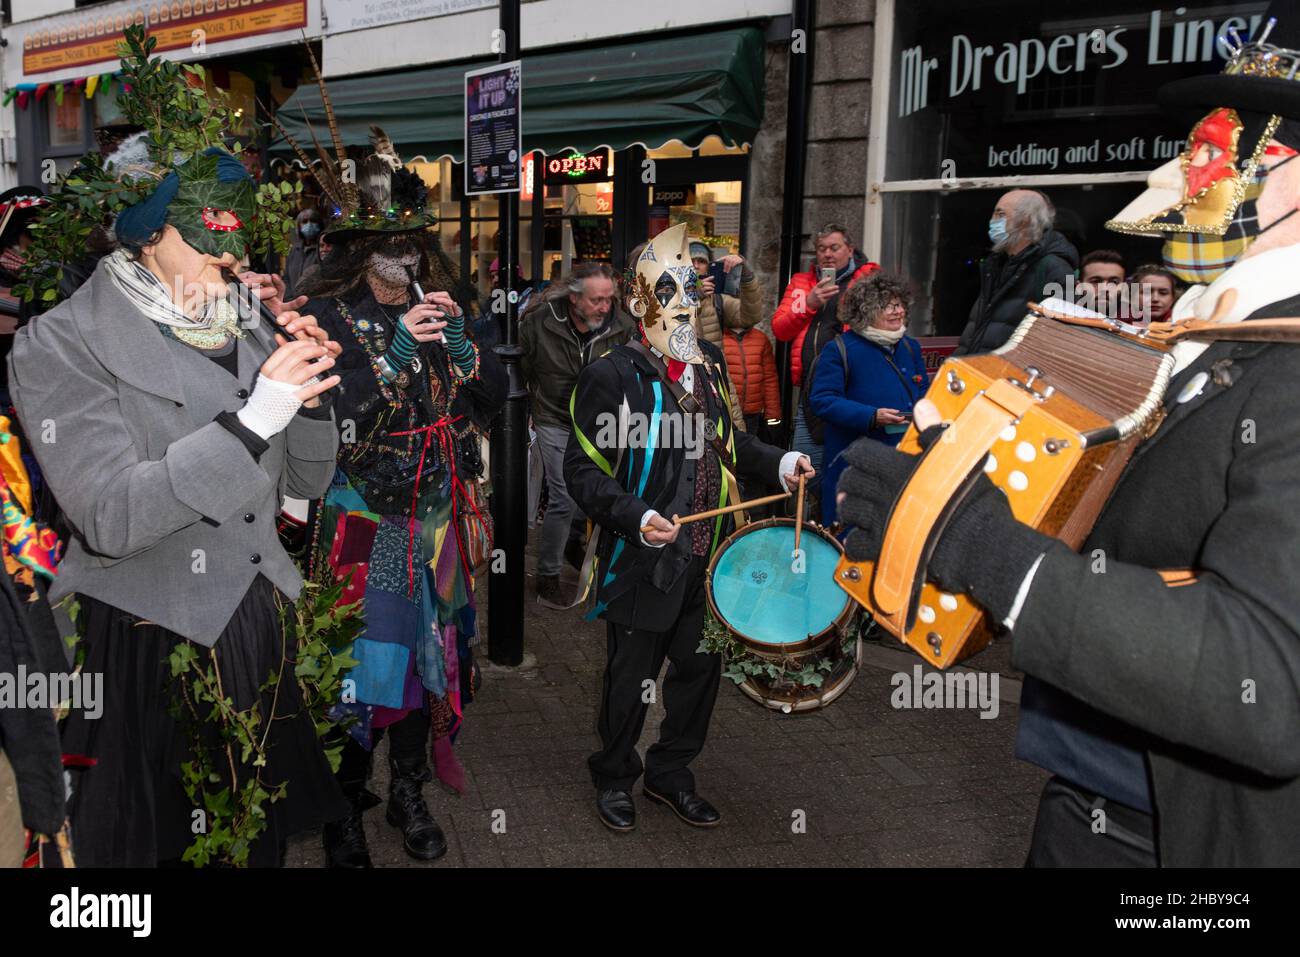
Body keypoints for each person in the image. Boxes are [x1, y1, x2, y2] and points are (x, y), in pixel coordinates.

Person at [836, 6, 1300, 866]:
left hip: (1181, 841)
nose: (1182, 178)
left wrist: (984, 548)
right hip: (1105, 798)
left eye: (1212, 154)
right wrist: (982, 491)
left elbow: (1272, 686)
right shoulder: (1228, 333)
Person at [8, 146, 348, 868]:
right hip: (147, 640)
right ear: (147, 229)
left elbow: (307, 486)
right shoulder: (60, 341)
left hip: (256, 624)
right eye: (208, 227)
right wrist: (254, 418)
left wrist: (311, 401)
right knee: (160, 849)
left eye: (239, 228)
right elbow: (108, 516)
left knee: (254, 844)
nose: (230, 251)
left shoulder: (246, 318)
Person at [295, 128, 507, 869]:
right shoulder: (322, 318)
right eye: (390, 243)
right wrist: (395, 356)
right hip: (369, 522)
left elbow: (493, 399)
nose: (406, 255)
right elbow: (328, 426)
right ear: (358, 247)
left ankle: (408, 791)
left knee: (430, 664)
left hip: (439, 520)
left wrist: (462, 348)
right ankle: (343, 810)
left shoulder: (447, 306)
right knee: (363, 673)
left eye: (414, 241)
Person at [565, 223, 813, 833]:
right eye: (670, 292)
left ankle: (671, 775)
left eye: (691, 294)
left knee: (700, 675)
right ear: (639, 302)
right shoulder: (611, 374)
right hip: (645, 558)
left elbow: (734, 444)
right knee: (631, 677)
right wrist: (636, 515)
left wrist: (778, 461)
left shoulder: (709, 368)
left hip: (712, 557)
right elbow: (583, 470)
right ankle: (615, 773)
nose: (684, 305)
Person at [520, 262, 635, 607]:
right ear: (574, 299)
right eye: (596, 300)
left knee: (594, 491)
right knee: (563, 496)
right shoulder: (539, 323)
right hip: (554, 416)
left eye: (609, 298)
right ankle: (548, 574)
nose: (605, 306)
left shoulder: (622, 326)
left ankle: (575, 543)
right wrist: (528, 411)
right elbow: (522, 369)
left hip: (598, 421)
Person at [808, 273, 928, 526]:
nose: (897, 311)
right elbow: (823, 400)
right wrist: (872, 416)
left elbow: (924, 395)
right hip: (855, 465)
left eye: (900, 304)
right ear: (865, 311)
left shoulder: (910, 347)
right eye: (887, 305)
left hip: (903, 461)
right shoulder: (839, 349)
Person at [771, 223, 879, 499]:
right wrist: (809, 303)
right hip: (809, 394)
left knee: (844, 469)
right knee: (804, 472)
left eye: (835, 247)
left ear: (849, 250)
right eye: (822, 249)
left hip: (852, 390)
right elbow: (780, 329)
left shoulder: (868, 279)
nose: (828, 254)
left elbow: (879, 330)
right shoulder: (801, 282)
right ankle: (805, 530)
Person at [956, 190, 1079, 354]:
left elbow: (1059, 340)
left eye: (1000, 214)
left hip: (1010, 376)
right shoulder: (997, 264)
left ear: (1026, 220)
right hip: (979, 372)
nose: (993, 221)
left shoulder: (1054, 268)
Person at [282, 207, 322, 299]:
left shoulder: (322, 250)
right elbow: (286, 278)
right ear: (299, 226)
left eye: (313, 221)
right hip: (292, 303)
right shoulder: (294, 250)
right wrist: (288, 298)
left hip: (313, 305)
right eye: (305, 222)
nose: (309, 224)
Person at [1076, 248, 1126, 317]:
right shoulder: (1061, 316)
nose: (1104, 289)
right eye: (1095, 281)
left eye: (1114, 282)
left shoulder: (1137, 326)